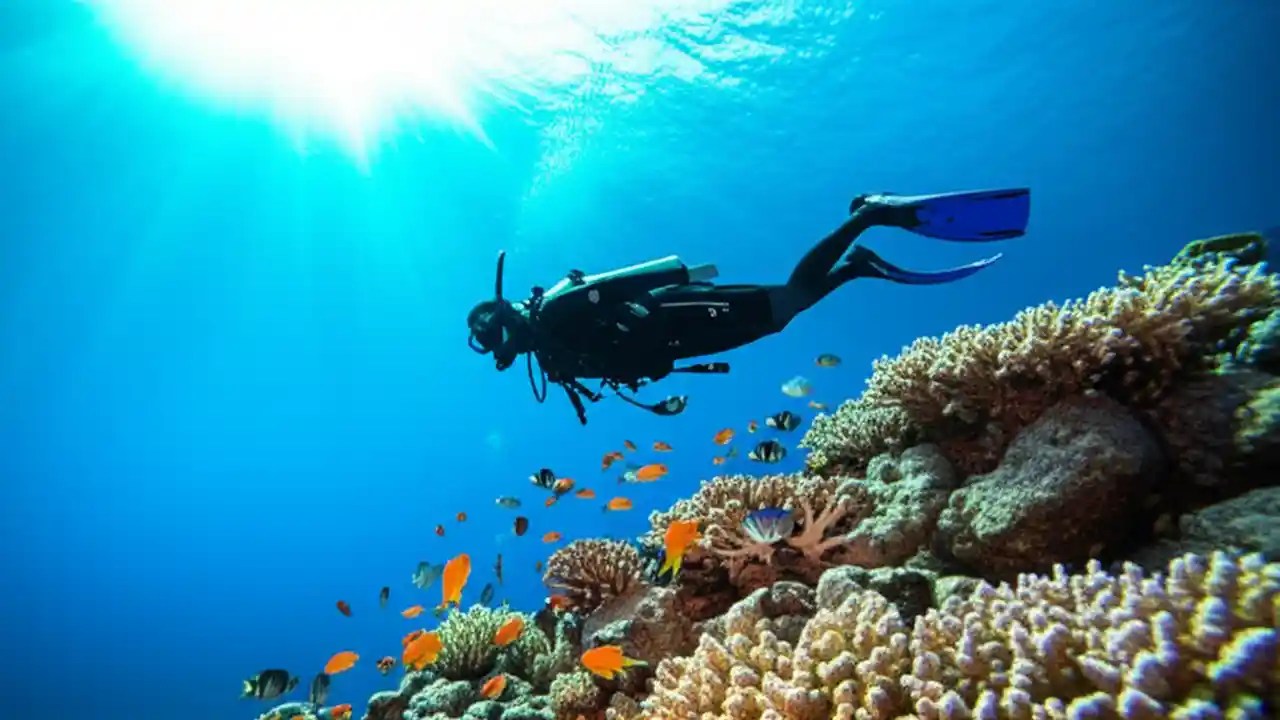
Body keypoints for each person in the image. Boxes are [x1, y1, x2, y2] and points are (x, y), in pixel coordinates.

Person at [466, 188, 1030, 424]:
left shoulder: (554, 315)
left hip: (680, 313)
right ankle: (856, 265)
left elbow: (619, 289)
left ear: (503, 322)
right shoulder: (551, 354)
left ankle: (869, 213)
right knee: (781, 319)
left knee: (785, 301)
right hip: (681, 342)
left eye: (494, 340)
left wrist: (683, 274)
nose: (500, 353)